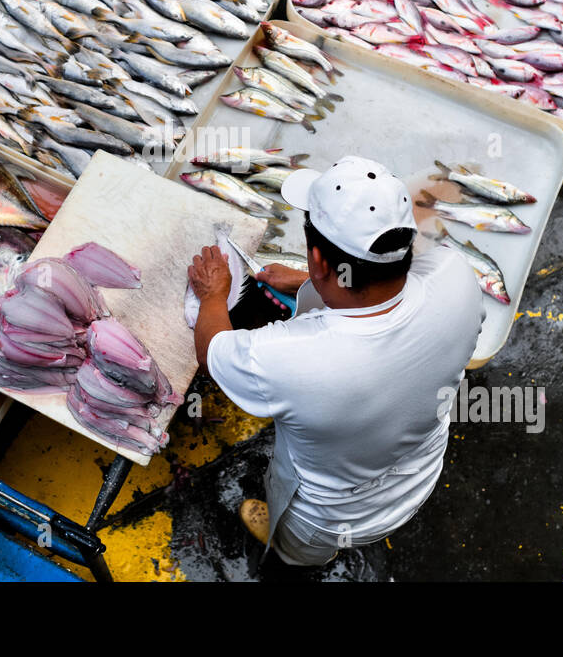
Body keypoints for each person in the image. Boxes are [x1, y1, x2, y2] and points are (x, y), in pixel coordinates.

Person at [187, 155, 485, 566]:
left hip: (326, 519)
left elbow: (212, 352)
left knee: (296, 550)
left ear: (322, 260)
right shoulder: (456, 275)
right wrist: (308, 281)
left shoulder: (286, 358)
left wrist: (214, 294)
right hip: (420, 472)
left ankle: (295, 557)